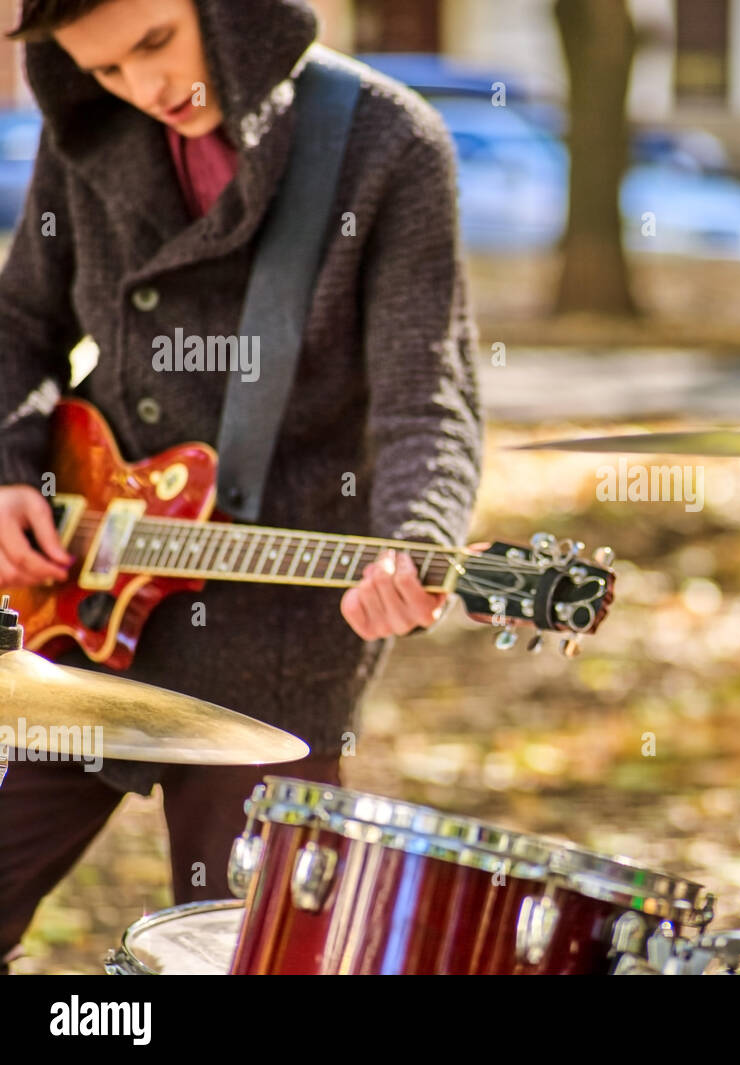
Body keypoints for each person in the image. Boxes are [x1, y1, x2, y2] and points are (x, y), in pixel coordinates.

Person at [0, 0, 482, 971]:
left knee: (253, 952)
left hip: (274, 633)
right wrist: (8, 470)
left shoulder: (386, 146)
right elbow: (21, 327)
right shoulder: (88, 136)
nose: (146, 90)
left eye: (154, 45)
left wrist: (416, 539)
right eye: (105, 71)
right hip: (74, 593)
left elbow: (424, 396)